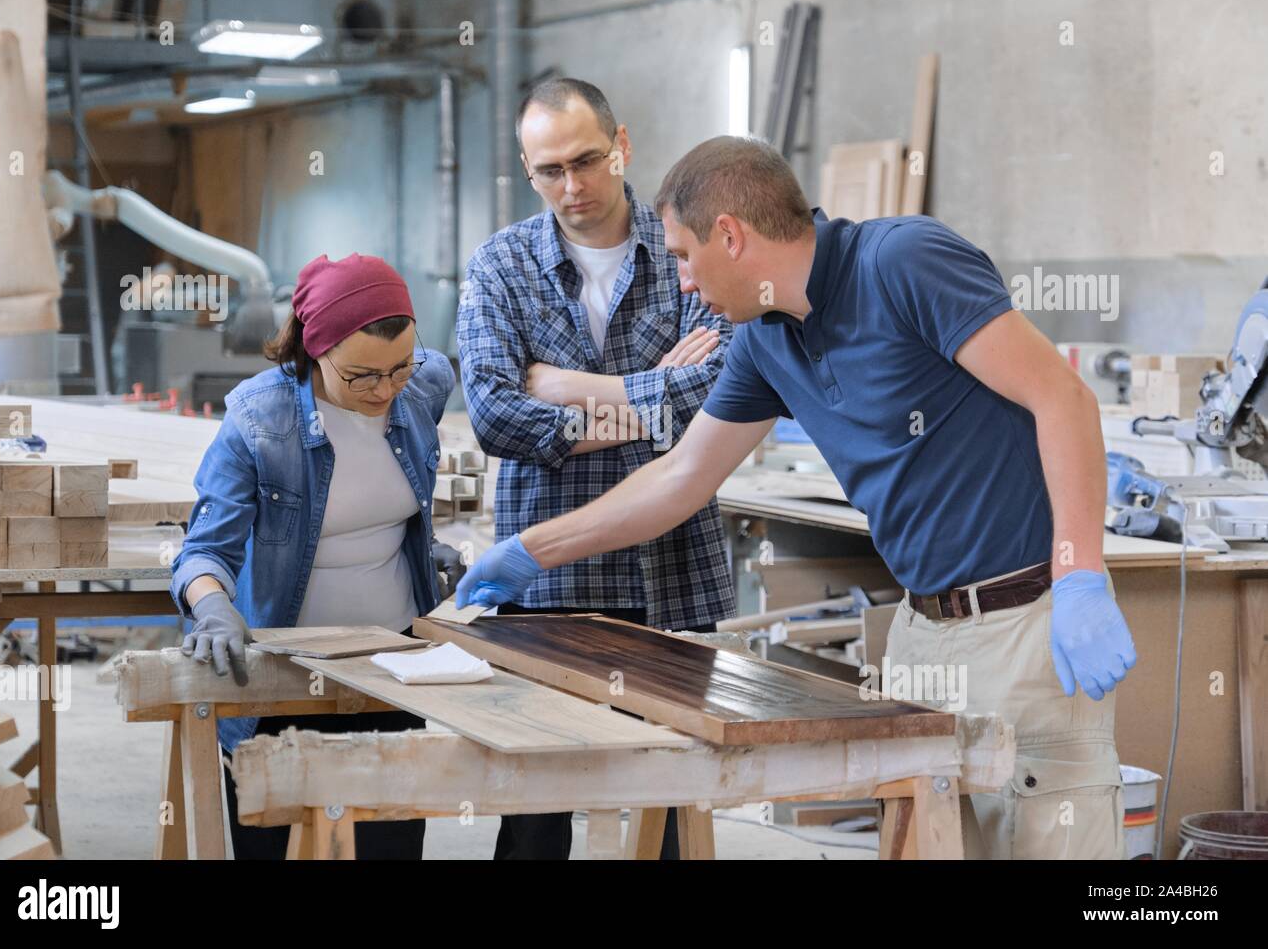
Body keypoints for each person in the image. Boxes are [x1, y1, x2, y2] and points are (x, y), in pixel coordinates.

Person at [458, 136, 1136, 860]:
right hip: (922, 629)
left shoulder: (903, 261)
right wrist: (535, 550)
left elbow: (1063, 400)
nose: (683, 282)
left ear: (731, 235)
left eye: (684, 256)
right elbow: (682, 477)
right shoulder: (764, 340)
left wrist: (1080, 576)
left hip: (1029, 623)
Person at [456, 78, 734, 859]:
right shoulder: (502, 265)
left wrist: (566, 387)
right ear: (526, 168)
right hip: (543, 577)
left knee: (678, 805)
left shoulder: (689, 243)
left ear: (622, 146)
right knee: (536, 811)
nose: (571, 187)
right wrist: (652, 401)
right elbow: (495, 417)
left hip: (669, 570)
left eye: (586, 160)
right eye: (549, 170)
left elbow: (720, 392)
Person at [170, 252, 464, 859]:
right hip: (282, 676)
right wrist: (214, 610)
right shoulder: (260, 419)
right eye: (362, 376)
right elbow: (203, 551)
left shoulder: (423, 385)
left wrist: (425, 546)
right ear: (315, 350)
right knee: (275, 844)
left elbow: (385, 498)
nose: (385, 390)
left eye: (399, 368)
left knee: (389, 845)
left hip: (392, 670)